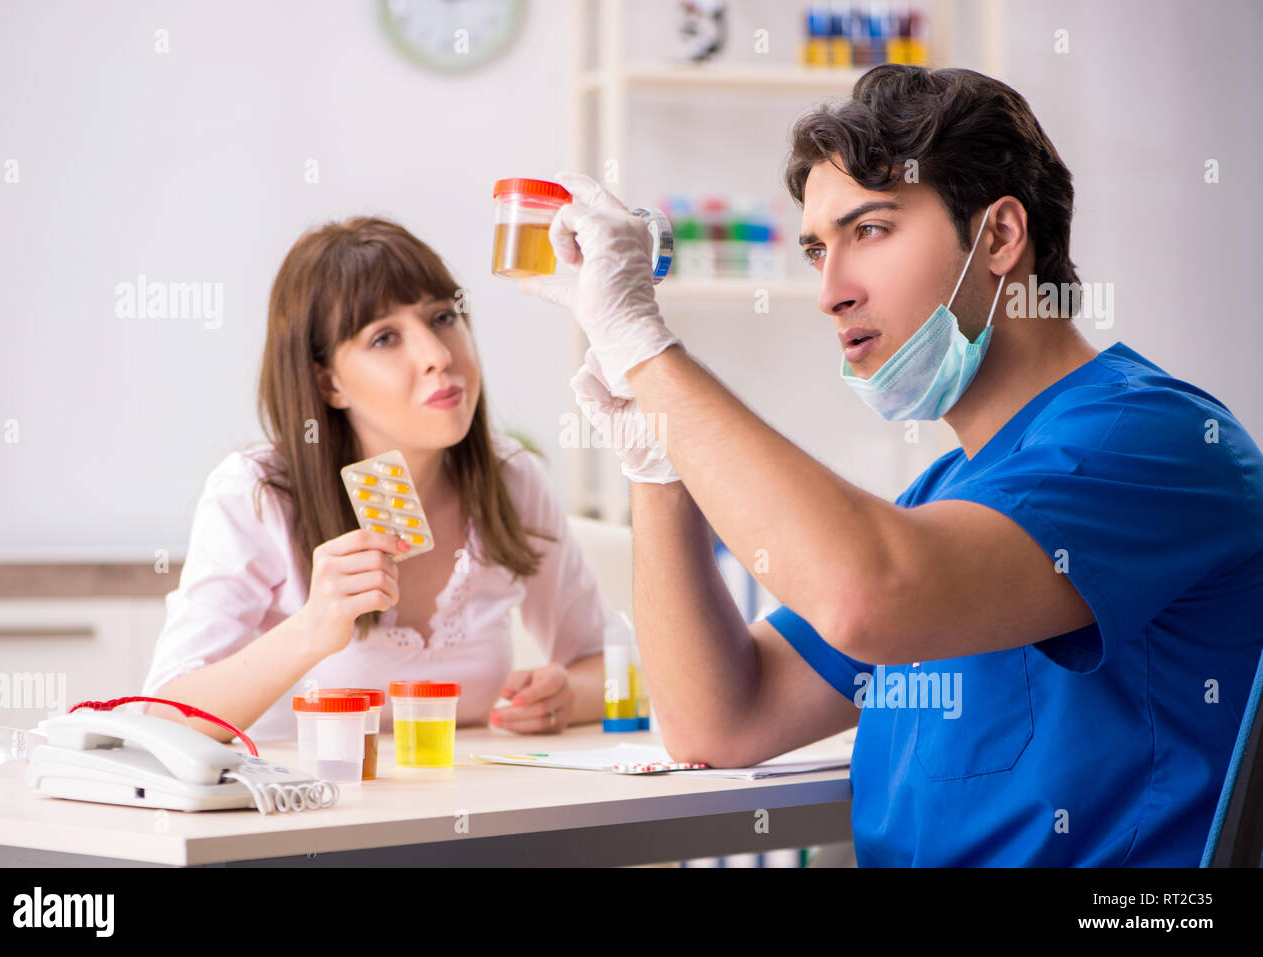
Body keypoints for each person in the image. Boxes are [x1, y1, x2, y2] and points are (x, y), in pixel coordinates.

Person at [520, 65, 1263, 866]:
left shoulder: (1154, 440)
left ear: (1002, 238)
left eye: (868, 231)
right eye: (816, 249)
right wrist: (661, 470)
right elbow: (721, 720)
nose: (830, 292)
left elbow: (865, 594)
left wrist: (646, 348)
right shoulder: (948, 494)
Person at [141, 217, 611, 742]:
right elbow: (164, 714)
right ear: (329, 382)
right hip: (302, 811)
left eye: (441, 317)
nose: (438, 356)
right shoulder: (257, 495)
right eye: (384, 337)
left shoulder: (511, 479)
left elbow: (606, 664)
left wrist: (565, 696)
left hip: (464, 810)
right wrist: (313, 628)